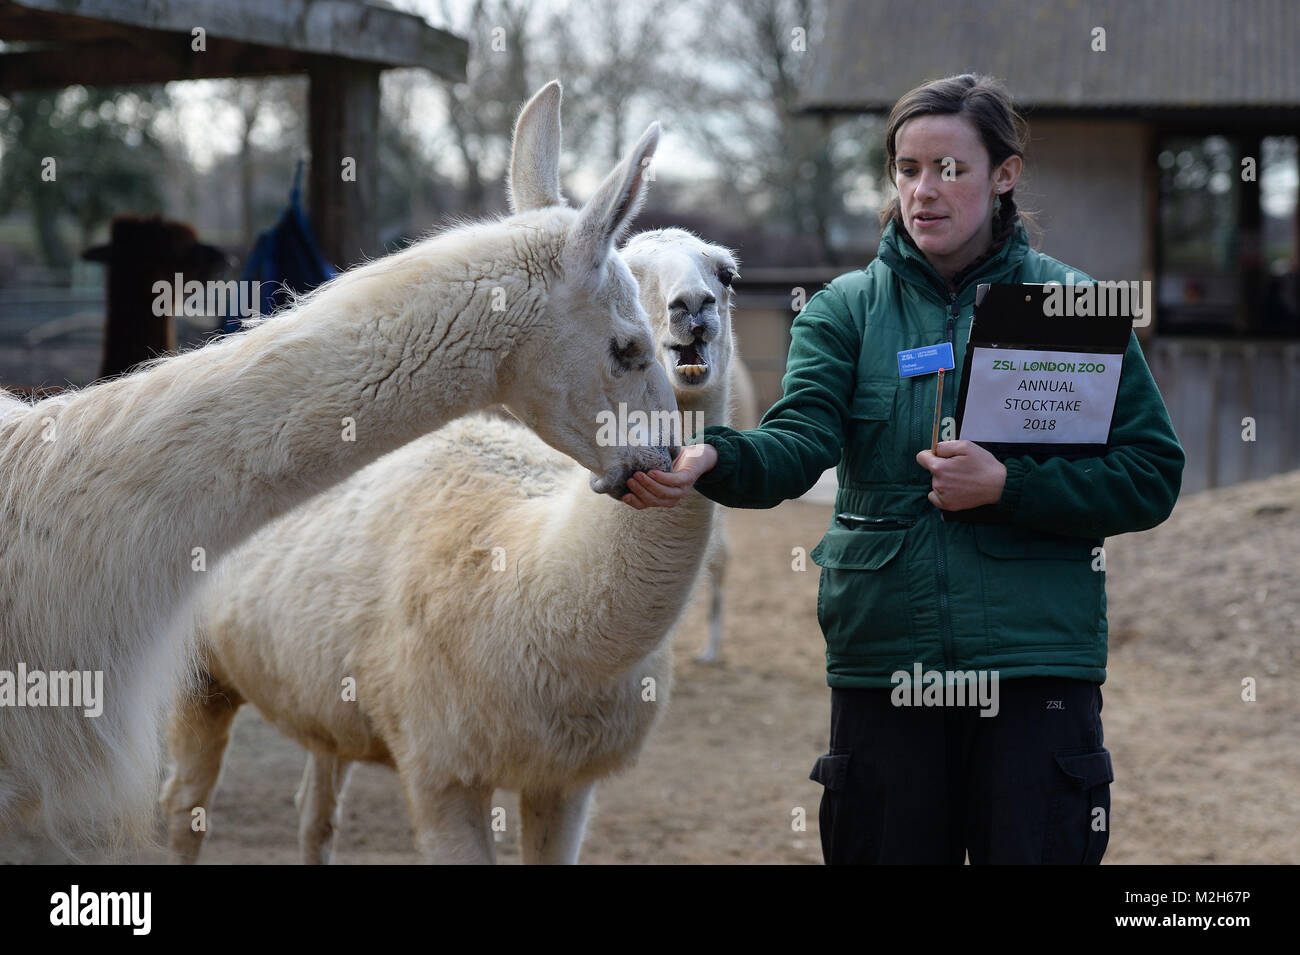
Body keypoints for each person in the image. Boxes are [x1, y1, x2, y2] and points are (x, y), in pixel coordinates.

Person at [619, 73, 1185, 864]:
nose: (924, 190)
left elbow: (1151, 472)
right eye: (907, 169)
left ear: (1005, 174)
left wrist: (1010, 487)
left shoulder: (1074, 307)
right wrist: (716, 454)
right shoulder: (843, 310)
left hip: (1033, 674)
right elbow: (797, 439)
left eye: (949, 169)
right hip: (887, 664)